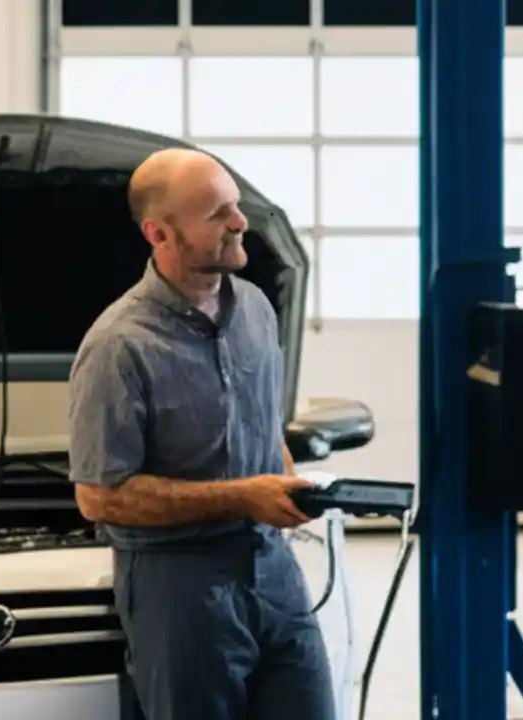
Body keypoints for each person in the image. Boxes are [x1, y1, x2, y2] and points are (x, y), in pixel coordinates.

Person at [67, 148, 334, 720]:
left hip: (273, 573)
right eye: (217, 213)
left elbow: (262, 420)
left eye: (236, 206)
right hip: (179, 591)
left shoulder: (257, 311)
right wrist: (242, 496)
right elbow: (98, 495)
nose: (239, 222)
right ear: (159, 233)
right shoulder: (119, 346)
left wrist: (285, 479)